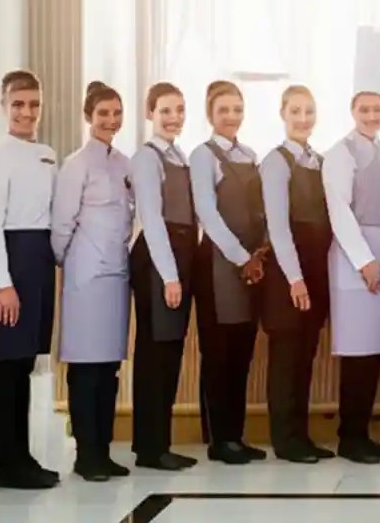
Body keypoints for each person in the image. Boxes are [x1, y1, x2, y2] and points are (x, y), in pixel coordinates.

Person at [323, 27, 380, 465]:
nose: (371, 115)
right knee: (356, 352)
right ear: (352, 110)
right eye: (363, 108)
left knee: (374, 351)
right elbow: (340, 212)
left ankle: (362, 433)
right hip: (357, 266)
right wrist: (366, 262)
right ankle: (349, 437)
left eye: (377, 109)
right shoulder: (340, 154)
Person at [0, 69, 60, 489]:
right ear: (4, 106)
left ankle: (22, 455)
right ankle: (5, 461)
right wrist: (3, 284)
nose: (27, 112)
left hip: (40, 259)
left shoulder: (47, 153)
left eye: (33, 104)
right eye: (18, 104)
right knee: (7, 364)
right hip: (11, 262)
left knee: (25, 362)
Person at [52, 82, 135, 482]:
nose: (111, 120)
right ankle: (86, 455)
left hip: (117, 276)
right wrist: (73, 263)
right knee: (85, 368)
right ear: (89, 117)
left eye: (117, 113)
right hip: (85, 277)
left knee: (108, 369)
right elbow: (62, 226)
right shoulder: (76, 164)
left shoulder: (124, 163)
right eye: (103, 113)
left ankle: (103, 449)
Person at [189, 80, 268, 465]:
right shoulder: (203, 156)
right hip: (221, 265)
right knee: (219, 352)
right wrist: (242, 258)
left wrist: (261, 252)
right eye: (224, 110)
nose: (231, 117)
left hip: (252, 265)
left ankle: (236, 434)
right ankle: (219, 439)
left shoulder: (250, 154)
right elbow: (208, 214)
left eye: (237, 109)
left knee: (242, 353)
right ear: (210, 115)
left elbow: (259, 211)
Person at [259, 85, 335, 464]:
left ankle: (301, 435)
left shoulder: (320, 161)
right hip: (289, 274)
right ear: (283, 115)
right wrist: (295, 278)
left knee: (306, 356)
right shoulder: (275, 162)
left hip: (316, 270)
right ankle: (285, 440)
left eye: (309, 111)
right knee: (287, 357)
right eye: (296, 112)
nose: (303, 119)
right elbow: (277, 226)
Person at [129, 82, 198, 471]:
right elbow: (152, 219)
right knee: (156, 352)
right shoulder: (146, 158)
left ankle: (158, 442)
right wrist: (169, 276)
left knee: (170, 351)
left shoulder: (180, 155)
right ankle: (150, 448)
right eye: (166, 111)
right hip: (159, 257)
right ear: (150, 113)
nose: (174, 118)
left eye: (180, 110)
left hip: (180, 254)